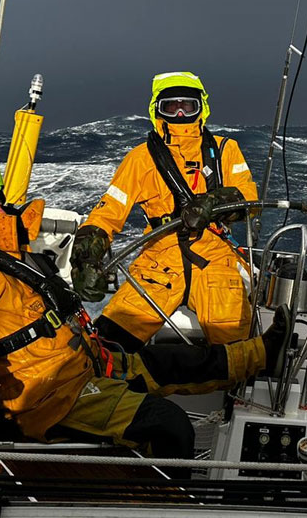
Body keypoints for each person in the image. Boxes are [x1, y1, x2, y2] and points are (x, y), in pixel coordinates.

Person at [0, 162, 286, 459]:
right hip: (52, 400)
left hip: (84, 365)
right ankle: (168, 506)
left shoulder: (1, 258)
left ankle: (263, 355)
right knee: (170, 425)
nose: (4, 209)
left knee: (171, 361)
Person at [70, 72, 258, 352]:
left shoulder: (225, 151)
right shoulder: (141, 158)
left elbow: (249, 201)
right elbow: (108, 212)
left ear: (201, 108)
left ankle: (235, 393)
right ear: (157, 110)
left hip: (216, 261)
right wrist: (87, 256)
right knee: (106, 345)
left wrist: (214, 202)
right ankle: (114, 390)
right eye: (171, 106)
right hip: (159, 264)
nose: (180, 112)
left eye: (188, 105)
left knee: (239, 352)